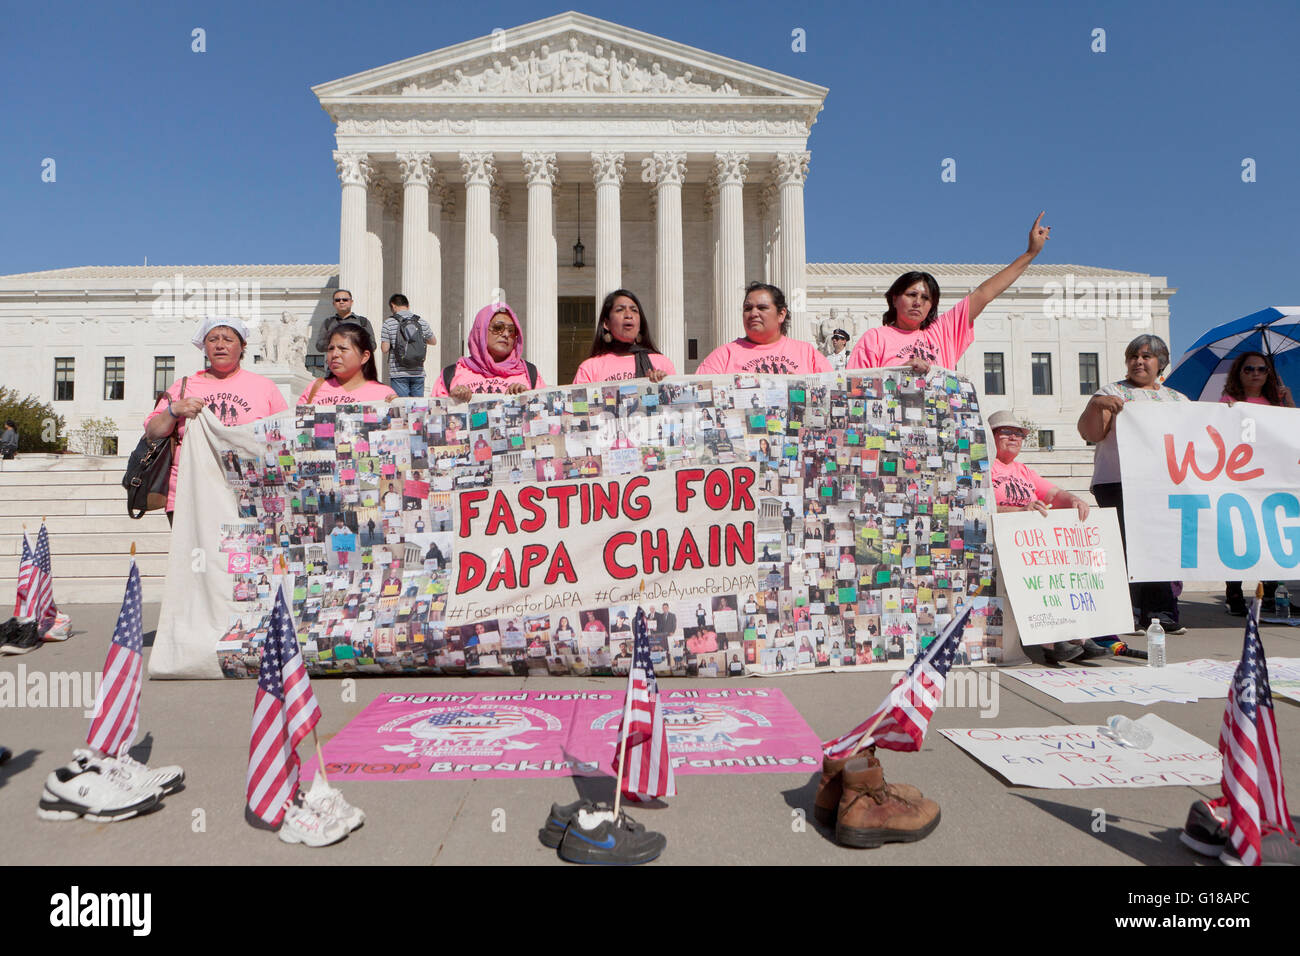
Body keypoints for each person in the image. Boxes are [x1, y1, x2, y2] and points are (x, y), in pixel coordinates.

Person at [1078, 333, 1187, 634]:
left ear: (1160, 363)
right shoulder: (1111, 392)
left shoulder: (1178, 400)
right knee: (1126, 546)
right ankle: (1128, 611)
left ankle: (1161, 612)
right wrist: (1097, 405)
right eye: (1133, 357)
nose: (1138, 361)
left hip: (1161, 484)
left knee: (1157, 546)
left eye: (1146, 356)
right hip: (1117, 481)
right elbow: (1091, 433)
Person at [848, 213, 1051, 373]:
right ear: (894, 298)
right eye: (911, 295)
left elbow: (985, 293)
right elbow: (853, 388)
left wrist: (1030, 253)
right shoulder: (874, 339)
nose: (918, 302)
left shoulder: (943, 331)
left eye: (926, 298)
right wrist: (900, 374)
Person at [144, 317, 288, 523]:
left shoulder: (264, 387)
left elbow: (282, 435)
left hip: (245, 493)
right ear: (205, 346)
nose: (220, 345)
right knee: (194, 555)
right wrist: (174, 410)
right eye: (213, 339)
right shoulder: (184, 386)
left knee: (242, 555)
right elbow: (152, 431)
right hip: (190, 492)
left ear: (243, 345)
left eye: (228, 339)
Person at [988, 409, 1097, 663]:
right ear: (990, 436)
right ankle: (1051, 644)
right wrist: (1018, 510)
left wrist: (1074, 500)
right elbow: (981, 505)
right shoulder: (984, 468)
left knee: (1062, 571)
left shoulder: (1024, 471)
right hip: (1001, 541)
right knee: (1036, 575)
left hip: (1031, 542)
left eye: (1018, 433)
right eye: (1006, 432)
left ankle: (1076, 636)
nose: (1013, 437)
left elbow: (1053, 494)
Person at [1219, 352, 1294, 615]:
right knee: (1239, 535)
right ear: (1239, 373)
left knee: (1271, 534)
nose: (1255, 373)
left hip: (1272, 477)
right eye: (1249, 368)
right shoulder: (1229, 401)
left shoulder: (1278, 401)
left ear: (1268, 374)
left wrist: (1289, 401)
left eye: (1262, 369)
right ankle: (1234, 594)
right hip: (1239, 477)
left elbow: (1292, 433)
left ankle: (1271, 594)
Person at [696, 282, 832, 375]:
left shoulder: (807, 353)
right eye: (748, 308)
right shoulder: (722, 356)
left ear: (781, 314)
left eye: (762, 308)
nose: (753, 313)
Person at [434, 302, 545, 400]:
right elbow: (434, 415)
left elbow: (544, 416)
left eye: (511, 330)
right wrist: (452, 402)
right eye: (498, 328)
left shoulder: (530, 373)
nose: (506, 334)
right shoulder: (451, 374)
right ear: (480, 331)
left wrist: (527, 399)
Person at [571, 289, 674, 383]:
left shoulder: (662, 363)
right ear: (606, 323)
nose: (629, 315)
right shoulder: (589, 368)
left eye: (634, 310)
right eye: (620, 310)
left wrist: (661, 384)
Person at [297, 324, 396, 406]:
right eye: (331, 348)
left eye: (343, 349)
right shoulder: (315, 387)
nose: (335, 354)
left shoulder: (384, 395)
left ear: (364, 357)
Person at [381, 293, 436, 397]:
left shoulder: (389, 322)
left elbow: (385, 349)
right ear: (408, 305)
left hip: (398, 373)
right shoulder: (421, 321)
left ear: (393, 306)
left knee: (401, 408)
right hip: (418, 371)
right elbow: (433, 341)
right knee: (418, 409)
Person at [315, 289, 376, 358]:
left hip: (356, 364)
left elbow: (373, 345)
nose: (341, 302)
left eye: (345, 300)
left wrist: (354, 342)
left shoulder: (363, 322)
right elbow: (319, 346)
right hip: (335, 364)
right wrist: (334, 341)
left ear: (351, 302)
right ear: (334, 304)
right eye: (337, 300)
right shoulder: (328, 322)